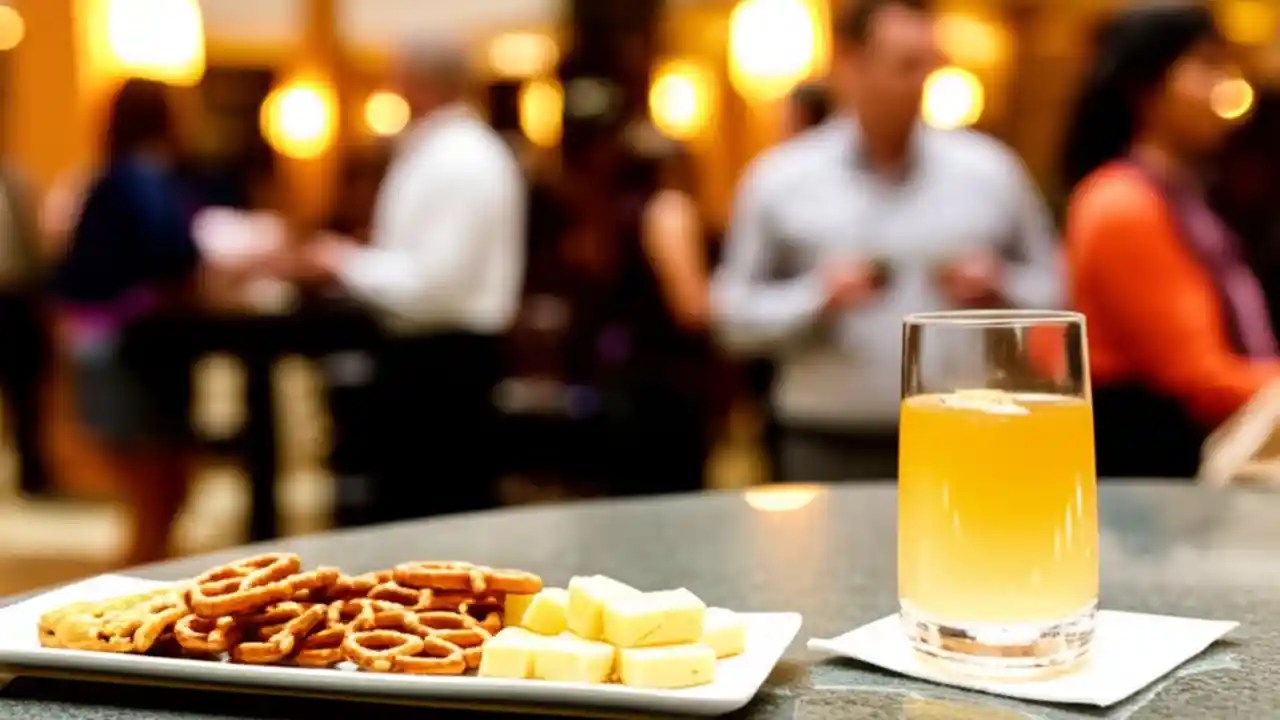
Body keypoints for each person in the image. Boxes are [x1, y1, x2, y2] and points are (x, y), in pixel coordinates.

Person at [712, 0, 1061, 482]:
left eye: (928, 66)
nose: (921, 83)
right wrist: (816, 297)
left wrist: (1001, 287)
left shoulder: (990, 172)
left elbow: (1058, 293)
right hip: (827, 439)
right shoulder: (780, 180)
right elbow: (731, 318)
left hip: (962, 432)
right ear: (852, 66)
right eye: (905, 66)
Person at [300, 43, 525, 521]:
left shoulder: (462, 158)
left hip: (445, 360)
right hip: (430, 354)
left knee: (440, 510)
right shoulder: (441, 150)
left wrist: (344, 261)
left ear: (421, 84)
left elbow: (435, 285)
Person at [1062, 5, 1278, 478]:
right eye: (1205, 66)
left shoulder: (1184, 196)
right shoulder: (1121, 203)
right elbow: (1195, 375)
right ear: (1147, 87)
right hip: (1152, 479)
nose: (1223, 87)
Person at [50, 79, 203, 564]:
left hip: (106, 338)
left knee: (157, 493)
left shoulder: (107, 177)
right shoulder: (141, 179)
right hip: (131, 343)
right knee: (155, 490)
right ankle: (137, 606)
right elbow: (172, 254)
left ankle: (147, 594)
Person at [0, 164, 51, 496]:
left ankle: (33, 473)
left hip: (16, 296)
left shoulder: (16, 181)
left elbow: (34, 241)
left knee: (25, 390)